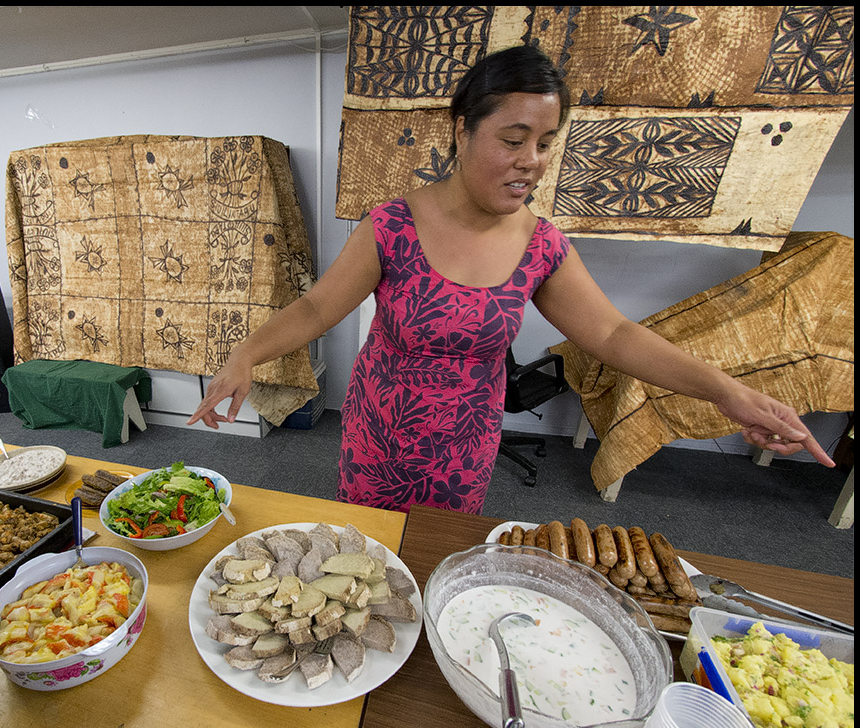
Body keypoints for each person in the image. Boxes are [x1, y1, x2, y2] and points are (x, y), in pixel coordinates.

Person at [188, 45, 835, 512]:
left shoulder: (541, 245)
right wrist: (247, 353)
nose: (532, 161)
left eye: (546, 141)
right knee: (370, 567)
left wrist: (728, 392)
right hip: (378, 436)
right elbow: (315, 309)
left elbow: (611, 333)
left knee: (443, 571)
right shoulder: (393, 225)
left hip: (465, 448)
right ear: (462, 131)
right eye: (514, 138)